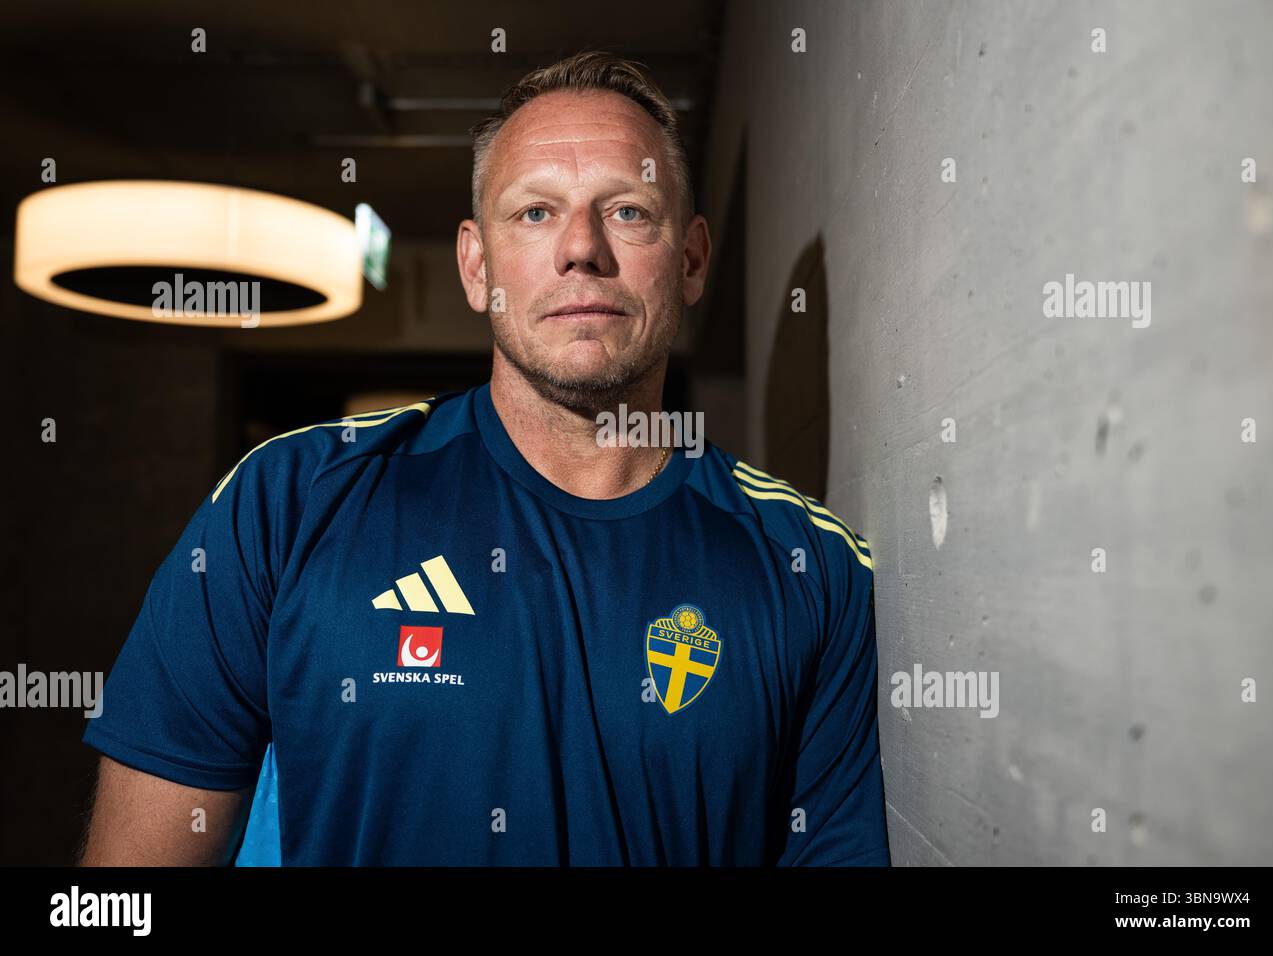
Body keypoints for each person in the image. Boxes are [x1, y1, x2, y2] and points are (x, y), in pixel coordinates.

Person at [77, 50, 889, 866]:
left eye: (630, 212)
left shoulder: (810, 564)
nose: (582, 248)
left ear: (691, 261)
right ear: (476, 265)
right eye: (535, 213)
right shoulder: (284, 502)